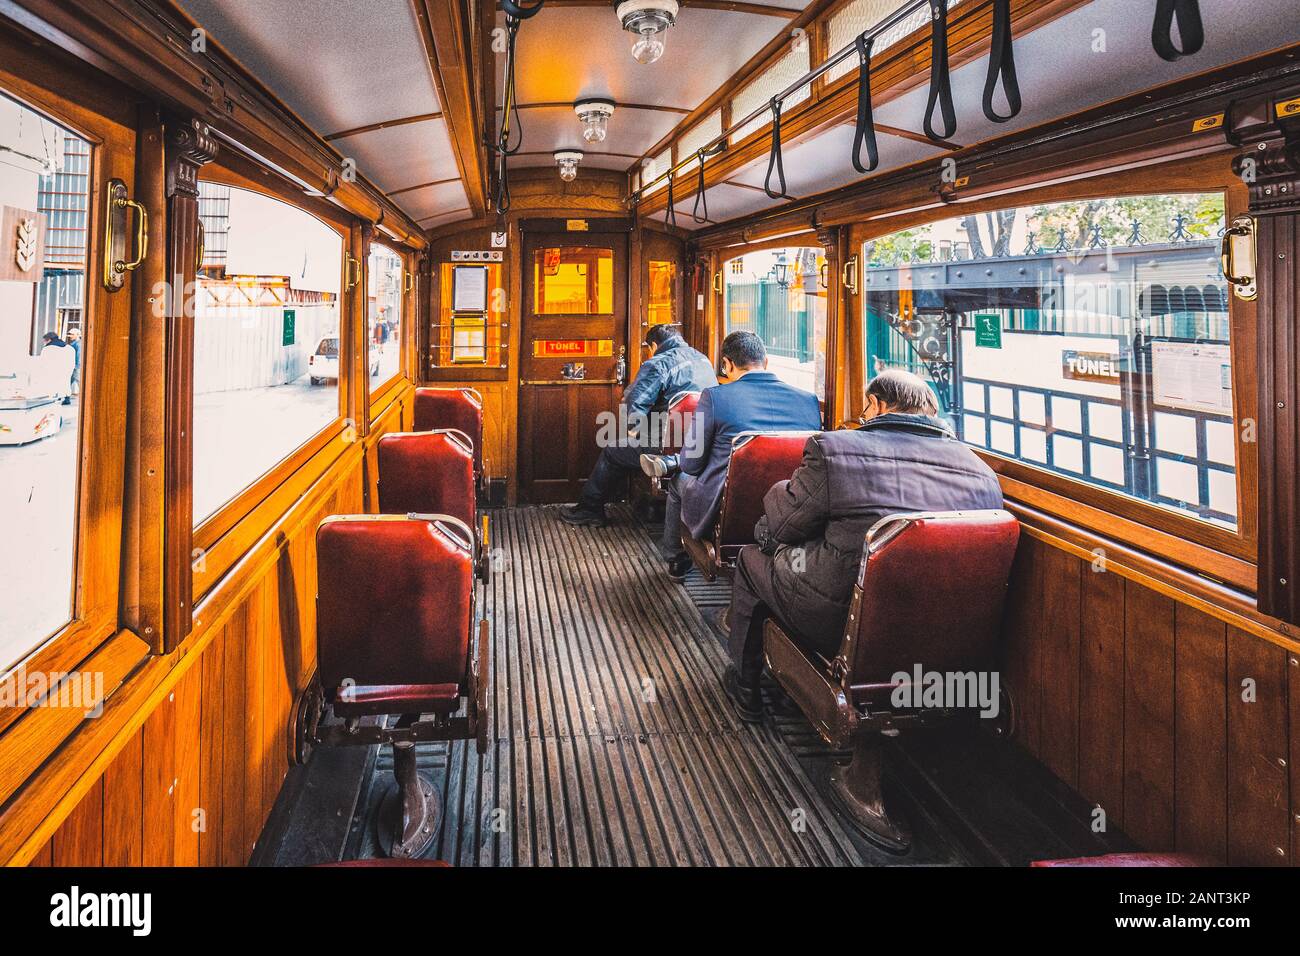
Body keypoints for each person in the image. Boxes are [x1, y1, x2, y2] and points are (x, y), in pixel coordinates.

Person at [721, 368, 1005, 721]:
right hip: (945, 635)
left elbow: (787, 521)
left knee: (752, 559)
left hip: (837, 616)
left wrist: (777, 498)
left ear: (876, 404)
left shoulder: (834, 450)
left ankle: (745, 687)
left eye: (865, 410)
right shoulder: (982, 474)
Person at [640, 330, 822, 581]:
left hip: (727, 507)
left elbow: (692, 463)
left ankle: (676, 559)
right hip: (789, 506)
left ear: (726, 365)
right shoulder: (809, 401)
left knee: (677, 481)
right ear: (766, 362)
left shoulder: (715, 398)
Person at [559, 323, 716, 528]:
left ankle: (590, 509)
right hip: (700, 445)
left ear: (653, 345)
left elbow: (635, 402)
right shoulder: (702, 359)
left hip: (665, 446)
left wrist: (634, 429)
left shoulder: (658, 363)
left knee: (613, 450)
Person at [65, 327, 81, 398]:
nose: (70, 336)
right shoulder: (74, 343)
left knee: (77, 379)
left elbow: (79, 355)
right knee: (70, 380)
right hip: (73, 365)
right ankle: (66, 395)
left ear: (77, 334)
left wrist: (77, 366)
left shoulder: (78, 344)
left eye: (72, 334)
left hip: (75, 366)